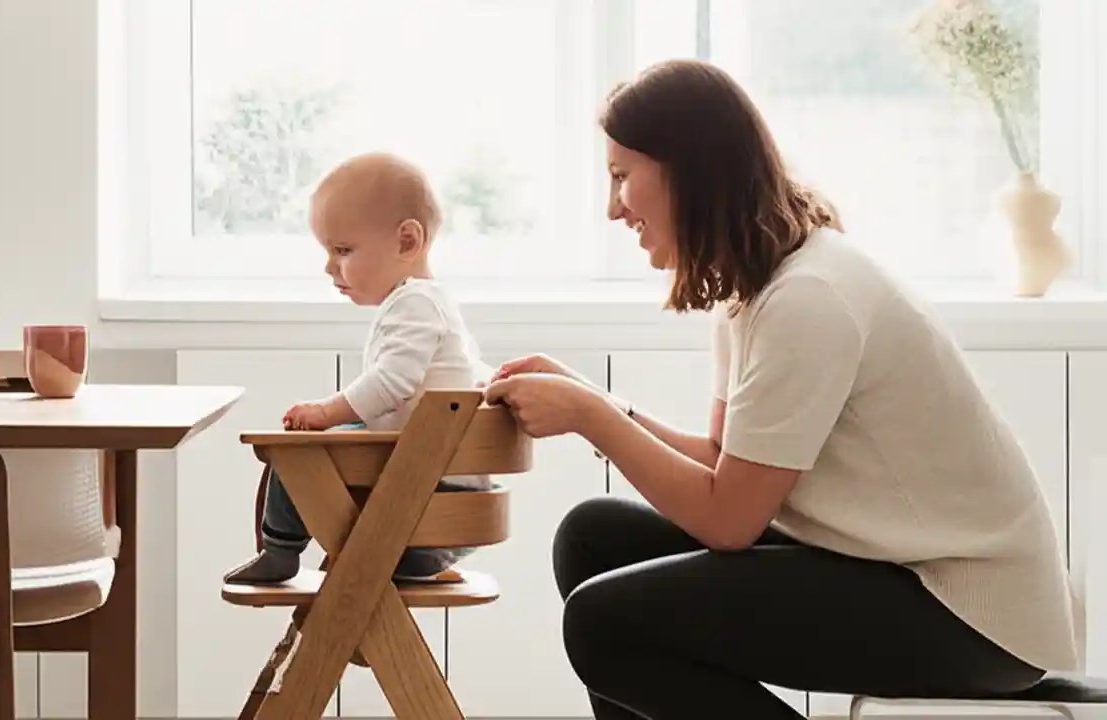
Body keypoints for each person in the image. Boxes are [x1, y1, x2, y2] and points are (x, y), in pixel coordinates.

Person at [484, 59, 1077, 719]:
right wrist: (593, 400)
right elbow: (723, 462)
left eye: (622, 177)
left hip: (967, 609)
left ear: (687, 169)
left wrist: (592, 417)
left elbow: (730, 521)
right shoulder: (757, 284)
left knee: (603, 622)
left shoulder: (808, 299)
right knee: (593, 537)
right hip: (891, 569)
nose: (612, 208)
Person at [226, 152, 492, 585]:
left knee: (296, 454)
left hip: (420, 506)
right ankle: (322, 582)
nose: (330, 266)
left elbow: (392, 383)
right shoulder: (429, 304)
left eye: (343, 250)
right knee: (317, 454)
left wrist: (326, 412)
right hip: (429, 500)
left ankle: (280, 551)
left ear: (407, 242)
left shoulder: (416, 303)